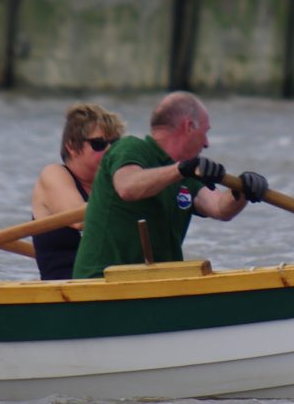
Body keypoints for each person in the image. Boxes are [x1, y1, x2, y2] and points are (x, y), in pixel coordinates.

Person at [71, 91, 268, 280]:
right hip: (99, 281)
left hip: (154, 283)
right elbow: (128, 187)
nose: (207, 143)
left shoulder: (189, 174)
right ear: (189, 126)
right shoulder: (130, 148)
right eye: (205, 132)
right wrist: (180, 169)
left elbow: (220, 208)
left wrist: (242, 190)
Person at [30, 102, 127, 280]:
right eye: (99, 143)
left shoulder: (117, 183)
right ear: (72, 147)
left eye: (115, 143)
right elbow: (78, 219)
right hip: (65, 291)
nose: (110, 150)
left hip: (109, 284)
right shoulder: (54, 174)